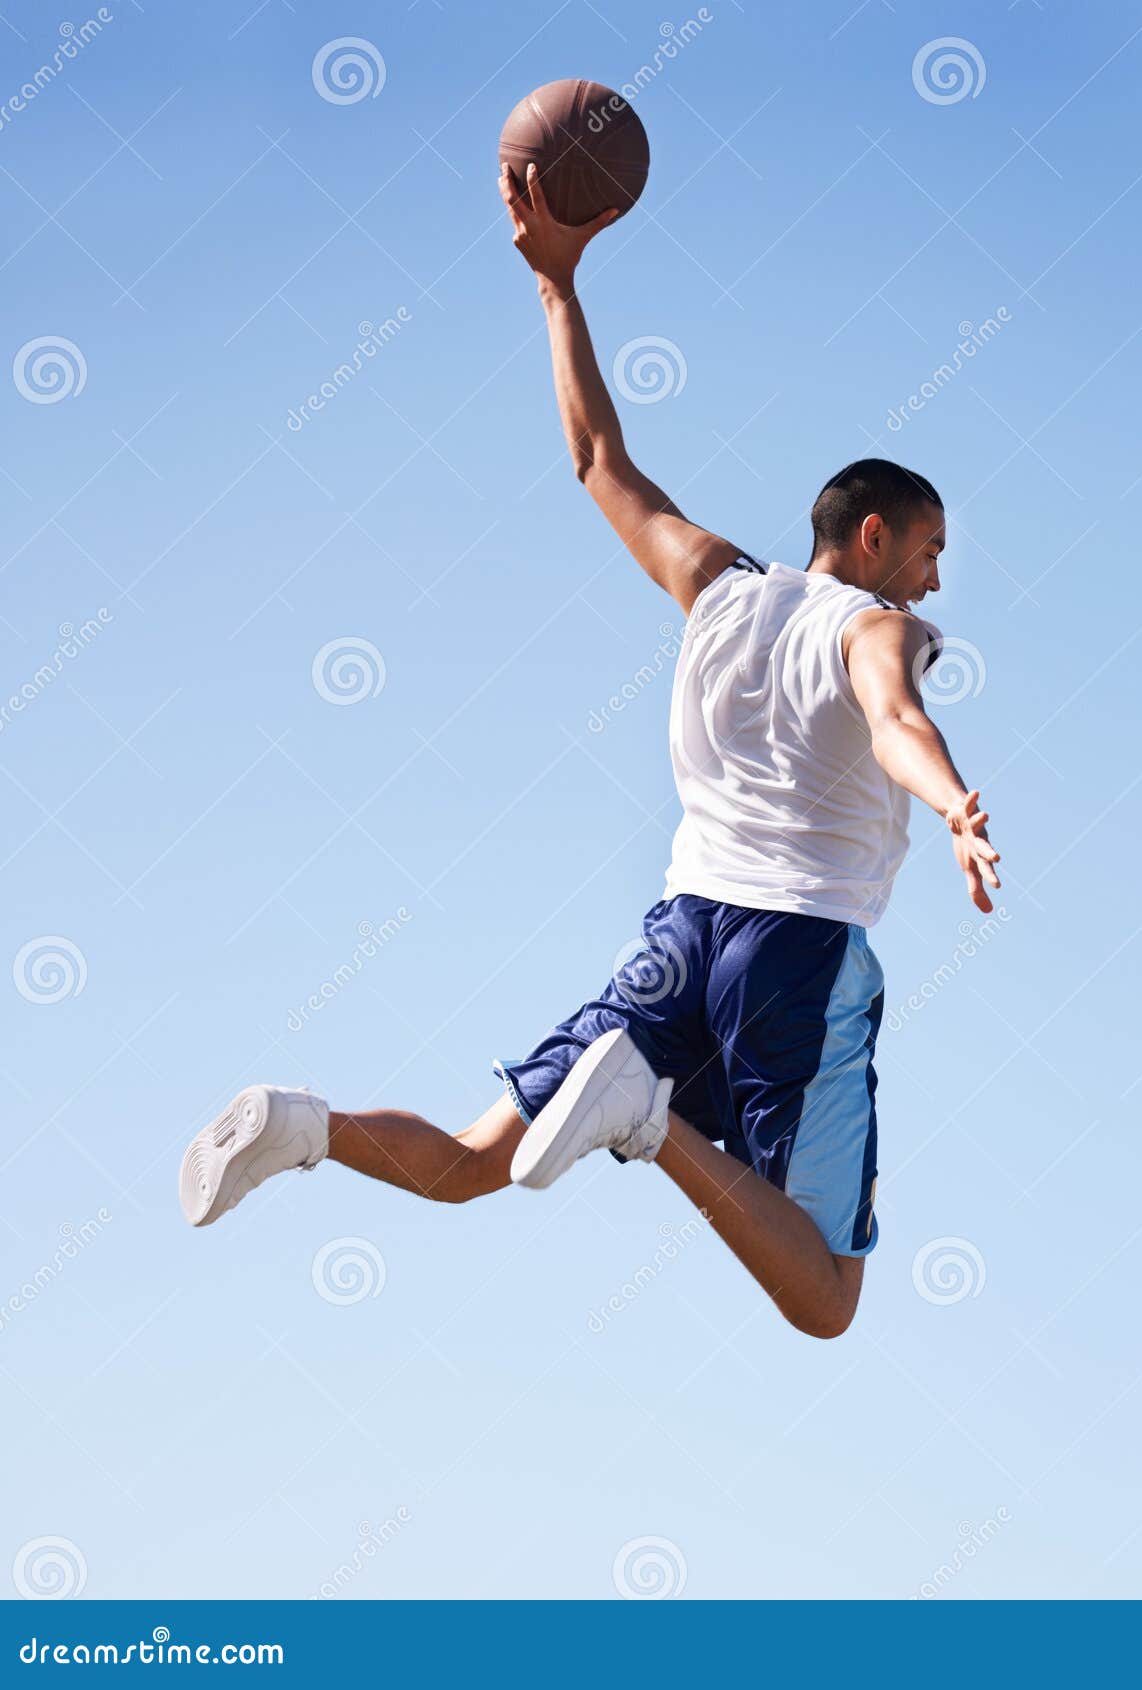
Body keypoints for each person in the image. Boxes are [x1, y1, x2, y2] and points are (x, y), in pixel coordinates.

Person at [177, 164, 1000, 1341]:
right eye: (926, 546)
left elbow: (597, 462)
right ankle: (650, 1122)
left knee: (474, 1162)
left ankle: (302, 1125)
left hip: (682, 935)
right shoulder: (880, 626)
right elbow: (892, 718)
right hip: (797, 956)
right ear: (871, 537)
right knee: (824, 1295)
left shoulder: (715, 585)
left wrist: (558, 286)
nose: (932, 575)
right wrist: (956, 802)